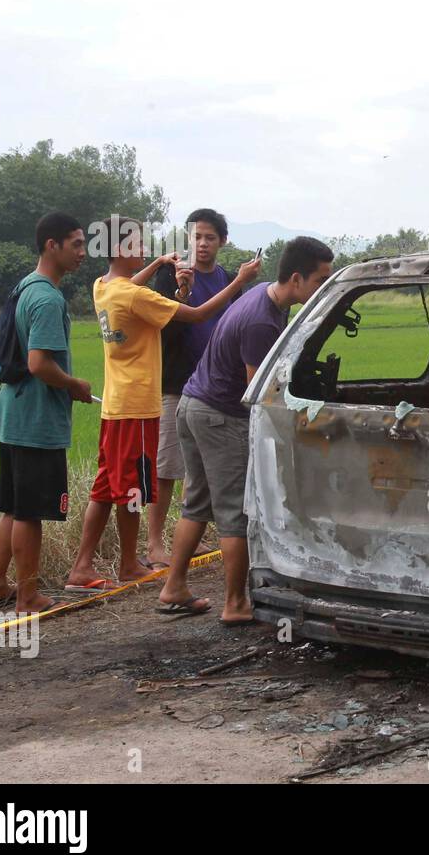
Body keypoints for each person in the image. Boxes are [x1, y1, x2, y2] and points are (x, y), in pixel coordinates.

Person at [65, 216, 259, 591]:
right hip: (138, 405)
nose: (144, 250)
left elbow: (138, 294)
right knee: (134, 489)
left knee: (106, 488)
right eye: (138, 245)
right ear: (121, 249)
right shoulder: (136, 296)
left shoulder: (103, 287)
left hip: (116, 406)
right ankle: (126, 564)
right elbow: (199, 315)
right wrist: (240, 282)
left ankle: (88, 565)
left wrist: (160, 268)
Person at [158, 236, 333, 622]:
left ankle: (174, 587)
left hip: (192, 406)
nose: (323, 289)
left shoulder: (261, 296)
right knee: (235, 511)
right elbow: (259, 395)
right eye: (320, 280)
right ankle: (235, 603)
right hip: (219, 416)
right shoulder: (262, 321)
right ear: (297, 278)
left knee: (196, 504)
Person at [0, 213, 93, 615]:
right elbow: (39, 364)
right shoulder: (47, 298)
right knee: (30, 512)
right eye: (76, 244)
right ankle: (27, 597)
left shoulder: (25, 287)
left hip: (13, 414)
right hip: (36, 421)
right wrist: (74, 385)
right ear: (52, 245)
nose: (83, 252)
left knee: (14, 506)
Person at [144, 208, 239, 569]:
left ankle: (189, 538)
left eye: (209, 237)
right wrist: (182, 291)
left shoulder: (229, 280)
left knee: (199, 468)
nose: (202, 244)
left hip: (215, 387)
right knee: (167, 466)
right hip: (176, 382)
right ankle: (154, 545)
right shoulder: (169, 278)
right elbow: (162, 327)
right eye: (196, 237)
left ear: (222, 242)